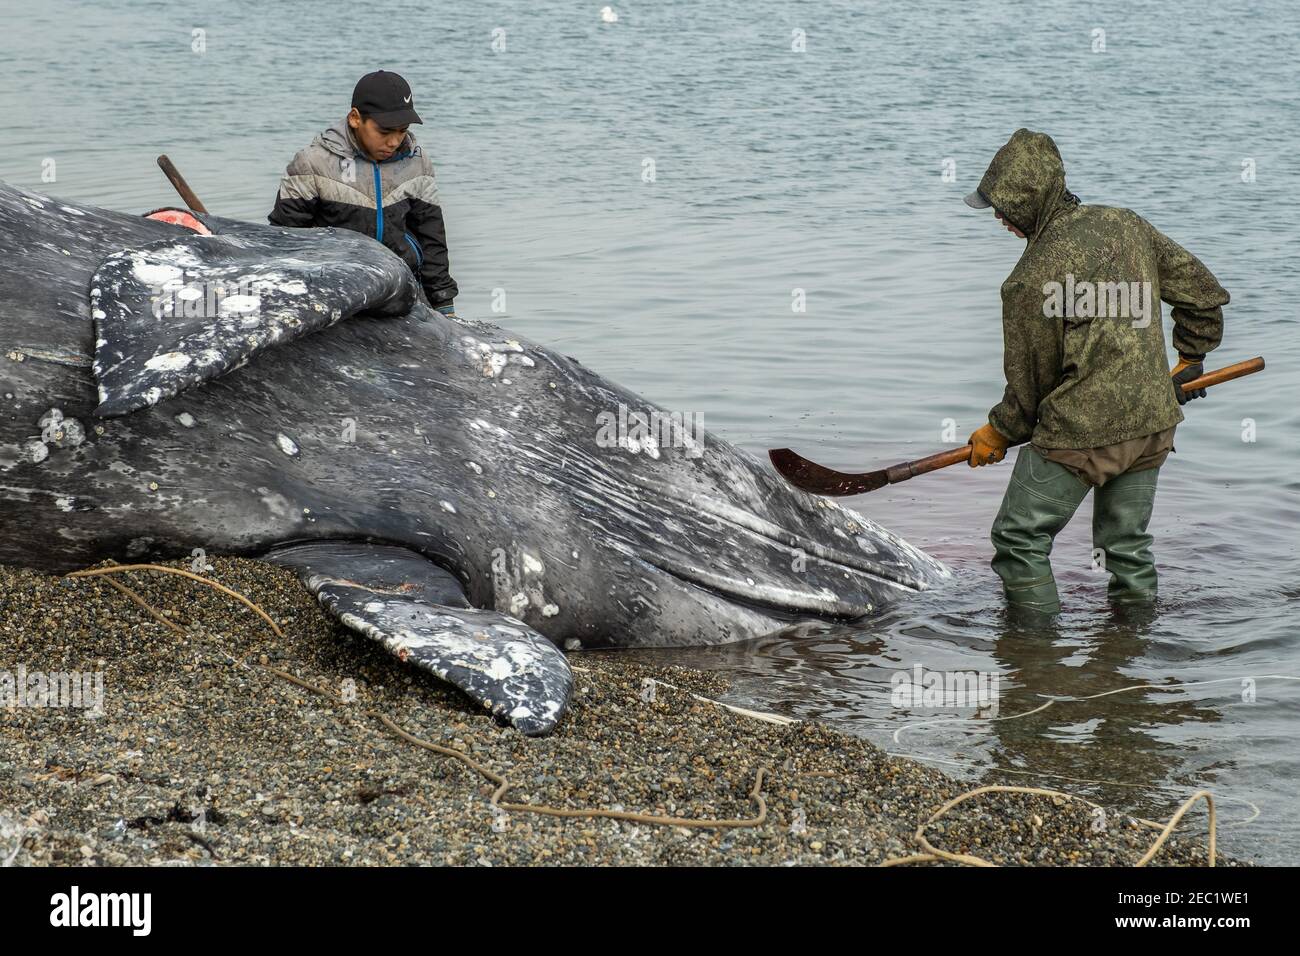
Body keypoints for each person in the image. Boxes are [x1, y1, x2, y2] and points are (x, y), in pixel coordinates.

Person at [963, 129, 1229, 614]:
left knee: (1018, 540)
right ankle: (1131, 659)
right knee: (1125, 548)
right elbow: (1203, 295)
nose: (999, 218)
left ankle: (1033, 657)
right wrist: (1190, 360)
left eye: (1003, 207)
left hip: (1082, 432)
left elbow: (1031, 386)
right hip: (1153, 424)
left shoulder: (1028, 279)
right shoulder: (1126, 225)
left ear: (1028, 201)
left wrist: (998, 431)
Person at [268, 70, 458, 315]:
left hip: (402, 290)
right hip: (334, 291)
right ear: (355, 118)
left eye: (402, 130)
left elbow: (431, 237)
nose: (394, 141)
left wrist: (444, 303)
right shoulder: (312, 163)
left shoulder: (416, 163)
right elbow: (284, 240)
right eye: (385, 131)